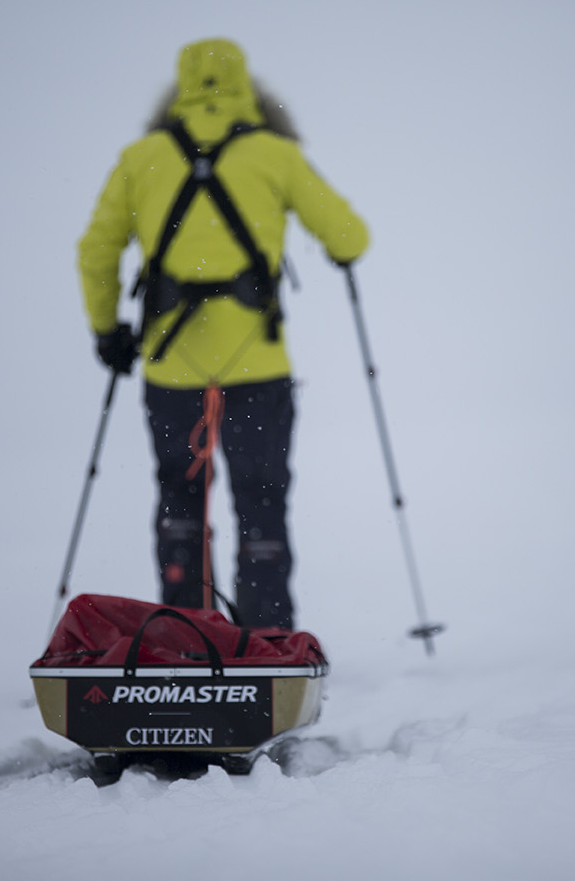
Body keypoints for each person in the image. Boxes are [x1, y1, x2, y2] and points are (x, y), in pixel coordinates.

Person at [76, 38, 369, 630]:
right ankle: (264, 640)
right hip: (257, 372)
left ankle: (188, 638)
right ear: (249, 88)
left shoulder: (142, 158)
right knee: (261, 503)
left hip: (171, 372)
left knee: (181, 505)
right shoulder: (274, 155)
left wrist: (108, 331)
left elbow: (96, 250)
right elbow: (350, 238)